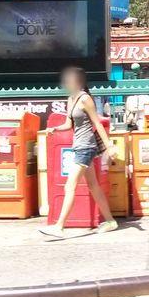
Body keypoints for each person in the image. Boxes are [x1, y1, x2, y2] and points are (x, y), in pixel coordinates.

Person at [38, 67, 118, 238]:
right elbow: (69, 125)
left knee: (69, 186)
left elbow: (97, 123)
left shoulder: (85, 99)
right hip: (79, 147)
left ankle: (59, 226)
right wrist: (54, 129)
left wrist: (109, 146)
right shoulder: (71, 99)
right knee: (93, 186)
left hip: (86, 147)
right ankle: (111, 221)